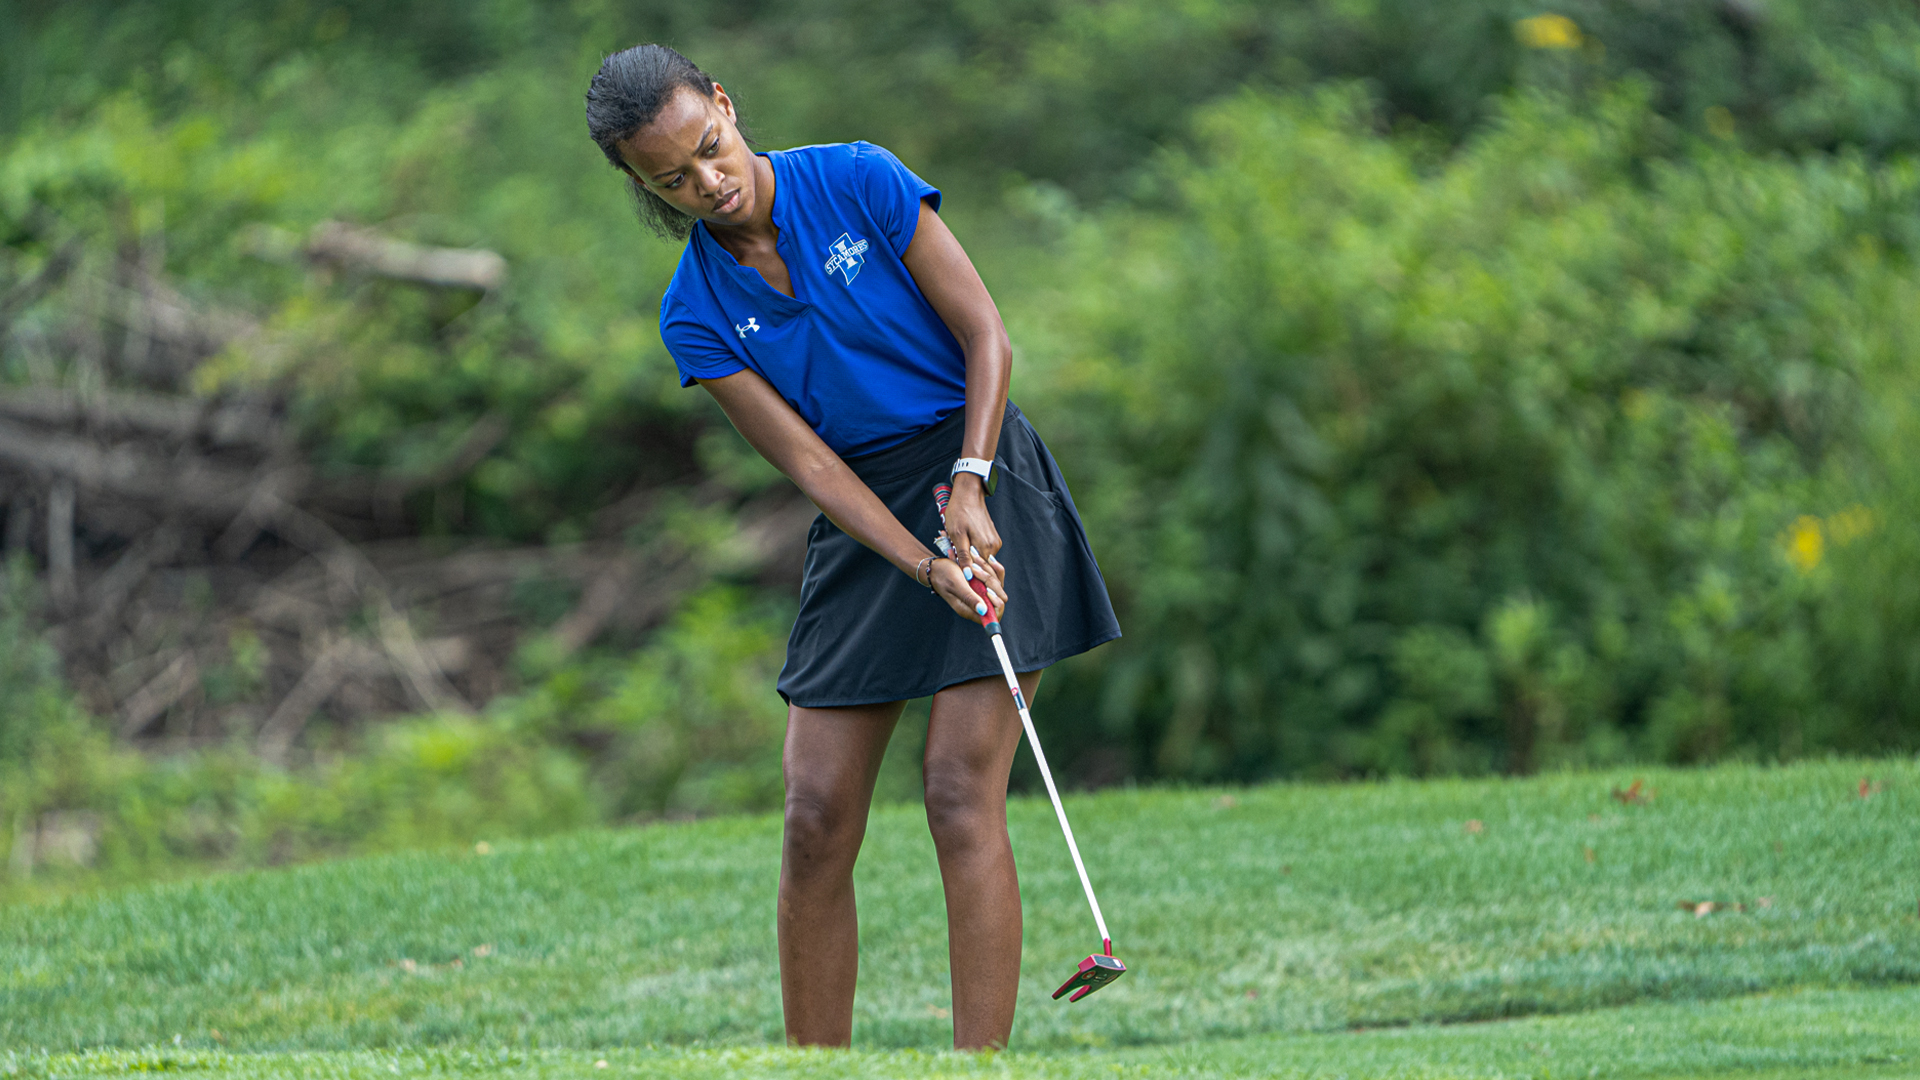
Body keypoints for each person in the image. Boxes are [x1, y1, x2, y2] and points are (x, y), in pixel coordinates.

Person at [584, 44, 1119, 1051]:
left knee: (960, 790)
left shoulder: (860, 179)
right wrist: (918, 562)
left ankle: (977, 1070)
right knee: (815, 816)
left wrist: (972, 481)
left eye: (711, 147)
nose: (709, 181)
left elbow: (987, 337)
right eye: (672, 179)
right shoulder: (694, 313)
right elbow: (814, 469)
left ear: (728, 107)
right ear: (641, 185)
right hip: (866, 520)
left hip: (983, 470)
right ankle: (814, 1069)